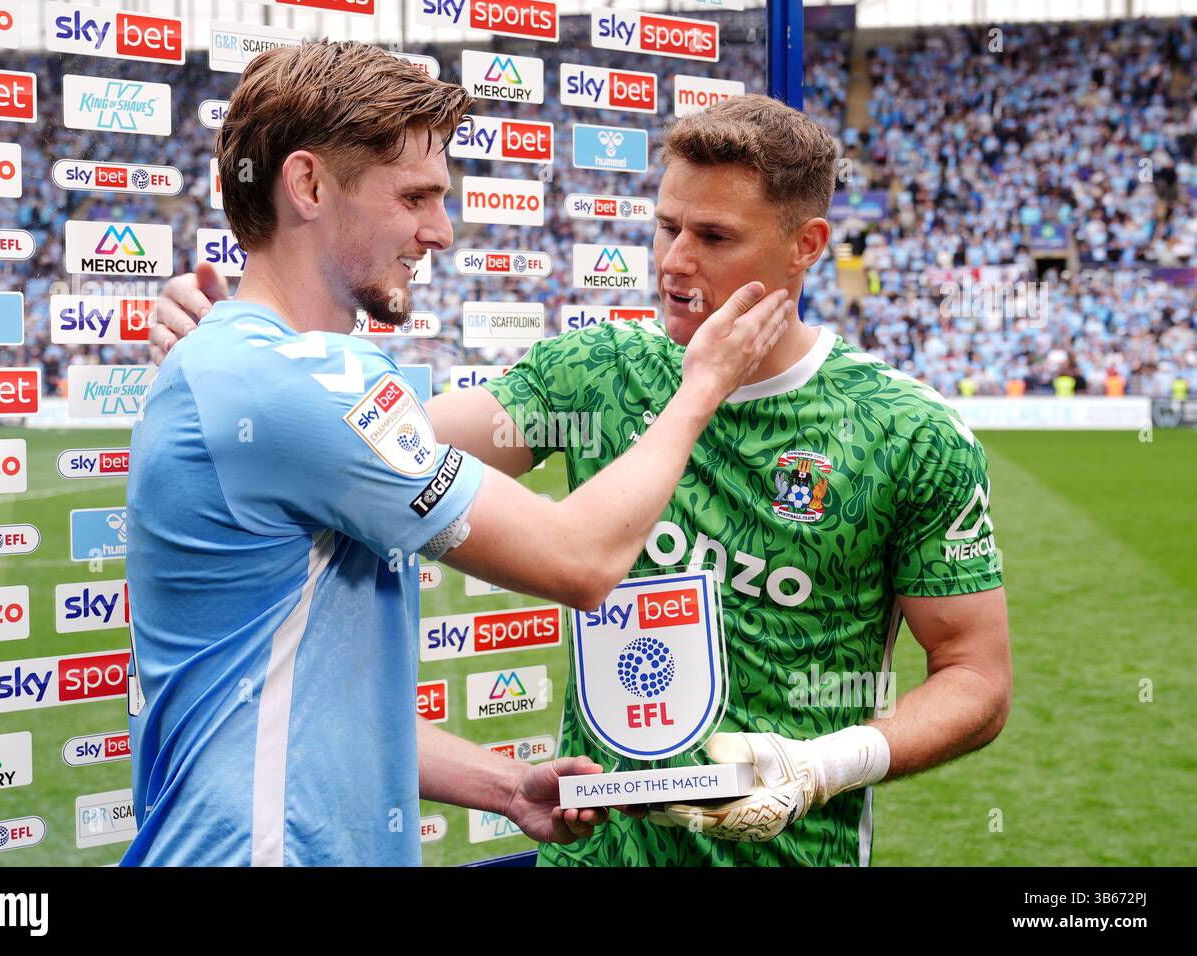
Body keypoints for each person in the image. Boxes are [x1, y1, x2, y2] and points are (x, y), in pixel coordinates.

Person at [151, 92, 1011, 867]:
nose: (676, 260)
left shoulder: (908, 431)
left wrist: (825, 765)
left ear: (805, 248)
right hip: (595, 857)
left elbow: (975, 676)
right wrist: (243, 345)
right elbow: (394, 436)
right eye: (667, 225)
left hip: (795, 856)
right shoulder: (601, 371)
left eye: (713, 237)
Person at [122, 41, 791, 867]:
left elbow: (306, 706)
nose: (439, 231)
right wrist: (700, 389)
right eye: (415, 197)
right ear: (307, 186)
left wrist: (507, 787)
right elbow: (579, 560)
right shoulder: (285, 380)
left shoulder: (245, 362)